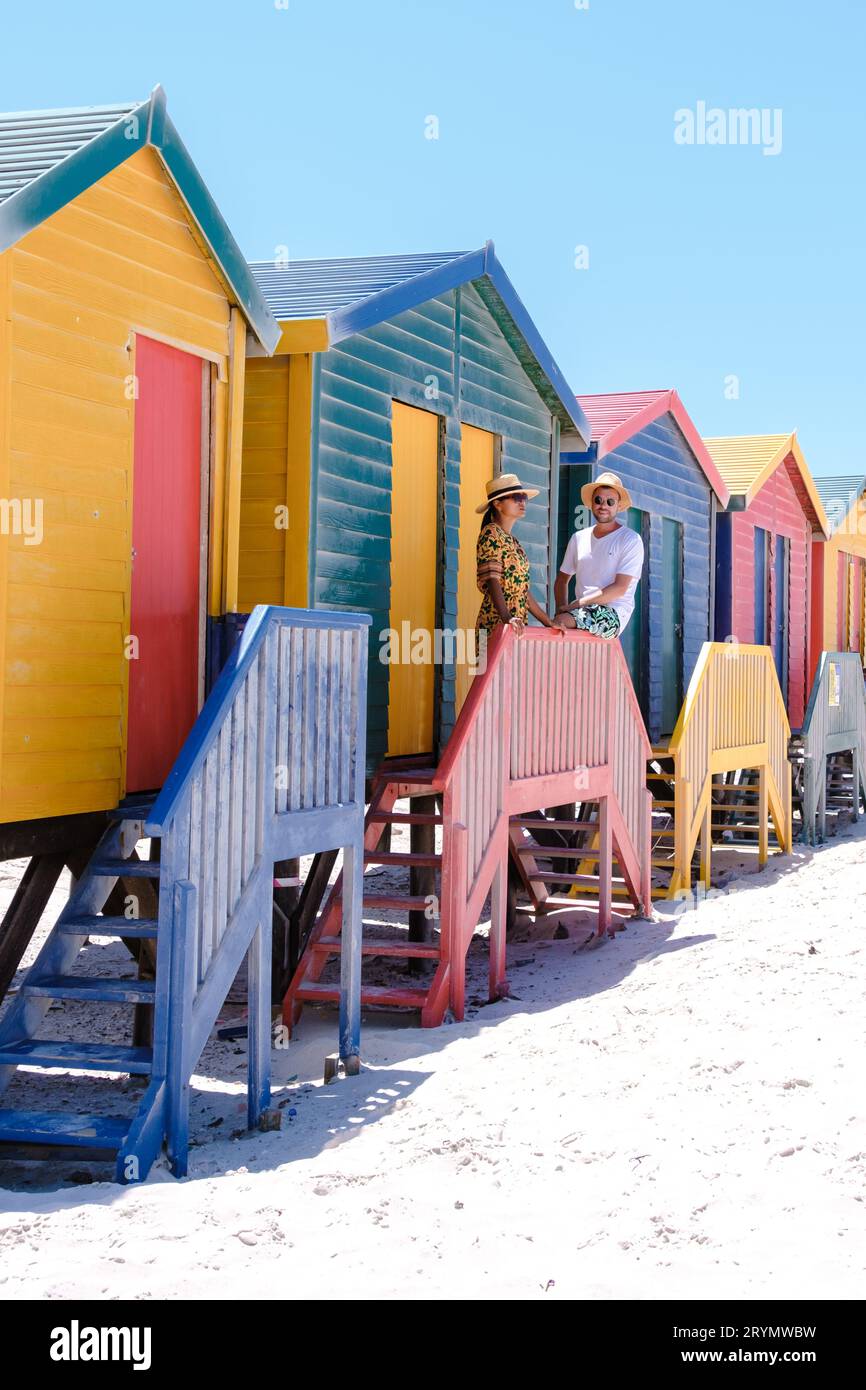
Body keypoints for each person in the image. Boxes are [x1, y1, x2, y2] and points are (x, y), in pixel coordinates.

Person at [553, 472, 644, 638]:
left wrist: (574, 606)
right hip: (579, 612)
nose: (603, 506)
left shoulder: (630, 539)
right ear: (591, 503)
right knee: (556, 624)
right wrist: (561, 609)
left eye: (610, 502)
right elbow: (561, 580)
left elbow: (620, 588)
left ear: (618, 506)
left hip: (613, 614)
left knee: (560, 623)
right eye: (598, 500)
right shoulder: (578, 538)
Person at [475, 474, 560, 635]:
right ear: (497, 504)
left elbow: (522, 591)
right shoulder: (491, 533)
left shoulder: (513, 542)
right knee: (488, 661)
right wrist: (507, 618)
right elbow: (492, 579)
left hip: (517, 624)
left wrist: (548, 622)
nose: (522, 502)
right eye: (516, 497)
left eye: (523, 498)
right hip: (495, 621)